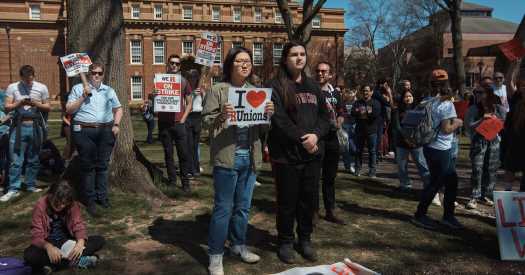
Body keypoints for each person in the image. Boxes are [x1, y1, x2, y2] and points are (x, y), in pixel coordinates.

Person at [202, 47, 274, 275]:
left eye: (248, 61)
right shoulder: (218, 90)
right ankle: (215, 255)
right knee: (224, 208)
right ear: (230, 64)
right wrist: (222, 115)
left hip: (250, 159)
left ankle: (238, 245)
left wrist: (269, 115)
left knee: (243, 208)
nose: (245, 64)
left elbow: (263, 128)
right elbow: (205, 123)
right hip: (227, 158)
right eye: (240, 61)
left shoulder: (257, 91)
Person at [268, 41, 330, 264]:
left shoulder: (314, 87)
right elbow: (279, 120)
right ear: (285, 59)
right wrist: (304, 139)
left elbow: (325, 117)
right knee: (287, 202)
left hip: (313, 154)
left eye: (302, 54)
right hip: (286, 155)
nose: (299, 58)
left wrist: (316, 136)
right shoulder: (275, 85)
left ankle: (305, 239)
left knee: (308, 200)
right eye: (294, 54)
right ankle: (285, 241)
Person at [65, 63, 122, 216]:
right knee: (88, 166)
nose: (96, 75)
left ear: (103, 74)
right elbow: (69, 110)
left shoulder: (109, 90)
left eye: (99, 73)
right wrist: (83, 96)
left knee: (103, 165)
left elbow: (118, 108)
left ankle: (102, 197)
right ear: (89, 74)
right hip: (83, 130)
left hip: (105, 131)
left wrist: (116, 124)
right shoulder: (78, 88)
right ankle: (90, 201)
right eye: (93, 73)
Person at [412, 69, 464, 230]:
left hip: (429, 146)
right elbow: (447, 129)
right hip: (441, 148)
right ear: (446, 84)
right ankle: (421, 215)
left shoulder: (427, 100)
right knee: (436, 183)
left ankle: (447, 215)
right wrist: (459, 122)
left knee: (450, 181)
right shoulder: (446, 104)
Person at [24, 181, 105, 273]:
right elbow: (36, 234)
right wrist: (48, 246)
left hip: (66, 241)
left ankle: (53, 266)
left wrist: (80, 243)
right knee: (29, 255)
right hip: (47, 243)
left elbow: (78, 224)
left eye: (64, 203)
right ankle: (76, 261)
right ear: (50, 195)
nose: (61, 206)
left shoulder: (72, 205)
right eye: (57, 202)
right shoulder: (40, 205)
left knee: (99, 240)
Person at [1, 65, 50, 202]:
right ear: (21, 77)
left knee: (34, 158)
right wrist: (19, 103)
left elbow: (48, 107)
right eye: (25, 79)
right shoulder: (13, 87)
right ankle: (13, 189)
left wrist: (35, 103)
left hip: (35, 126)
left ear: (34, 75)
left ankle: (30, 185)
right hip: (18, 127)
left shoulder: (41, 87)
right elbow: (6, 107)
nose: (28, 82)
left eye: (30, 78)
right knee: (15, 159)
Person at [315, 61, 346, 225]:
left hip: (332, 138)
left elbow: (342, 112)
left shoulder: (336, 93)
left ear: (330, 74)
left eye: (324, 71)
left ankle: (330, 210)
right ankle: (313, 210)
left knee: (330, 177)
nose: (320, 74)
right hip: (317, 138)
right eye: (318, 71)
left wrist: (339, 122)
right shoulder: (311, 91)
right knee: (313, 177)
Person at [156, 54, 193, 192]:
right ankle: (172, 180)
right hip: (164, 123)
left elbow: (190, 103)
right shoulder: (160, 80)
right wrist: (155, 95)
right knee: (168, 154)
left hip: (179, 123)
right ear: (168, 64)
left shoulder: (184, 82)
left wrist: (183, 118)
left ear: (180, 66)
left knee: (183, 154)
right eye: (172, 63)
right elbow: (155, 101)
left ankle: (185, 183)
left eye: (177, 64)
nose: (174, 66)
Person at [464, 87, 504, 209]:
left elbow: (505, 122)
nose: (479, 95)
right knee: (477, 168)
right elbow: (468, 126)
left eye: (482, 92)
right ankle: (474, 196)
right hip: (479, 141)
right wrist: (482, 119)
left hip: (494, 141)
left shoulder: (498, 108)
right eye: (477, 93)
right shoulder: (473, 108)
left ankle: (486, 194)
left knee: (491, 169)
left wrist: (497, 120)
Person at [391, 90, 431, 192]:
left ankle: (428, 185)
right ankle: (405, 184)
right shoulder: (397, 110)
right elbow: (397, 126)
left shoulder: (419, 109)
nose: (408, 98)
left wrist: (416, 139)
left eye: (410, 96)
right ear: (402, 98)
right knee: (402, 165)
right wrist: (406, 138)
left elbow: (423, 125)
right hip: (402, 141)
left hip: (416, 141)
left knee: (422, 164)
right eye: (406, 96)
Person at [351, 85, 381, 177]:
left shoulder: (376, 103)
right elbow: (353, 112)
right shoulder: (357, 102)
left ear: (371, 92)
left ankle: (372, 171)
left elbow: (374, 115)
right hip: (359, 130)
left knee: (372, 151)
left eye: (367, 91)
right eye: (364, 90)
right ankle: (357, 169)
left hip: (371, 131)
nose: (365, 92)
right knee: (358, 151)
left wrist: (361, 111)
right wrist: (367, 111)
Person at [502, 77, 525, 191]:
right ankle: (507, 193)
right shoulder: (517, 98)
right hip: (515, 141)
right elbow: (508, 82)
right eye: (523, 86)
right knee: (510, 169)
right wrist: (514, 64)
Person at [186, 69, 204, 177]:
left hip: (198, 117)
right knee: (189, 144)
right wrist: (192, 93)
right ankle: (189, 168)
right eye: (191, 77)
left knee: (195, 144)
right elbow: (185, 102)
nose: (193, 78)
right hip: (188, 116)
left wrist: (203, 94)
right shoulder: (186, 88)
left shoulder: (201, 89)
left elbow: (206, 103)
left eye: (194, 76)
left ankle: (196, 168)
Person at [341, 88, 357, 174]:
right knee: (345, 146)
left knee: (353, 146)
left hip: (354, 125)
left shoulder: (356, 102)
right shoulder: (343, 102)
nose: (351, 94)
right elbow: (340, 113)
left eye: (352, 93)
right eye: (349, 93)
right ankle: (347, 165)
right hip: (345, 125)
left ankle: (353, 164)